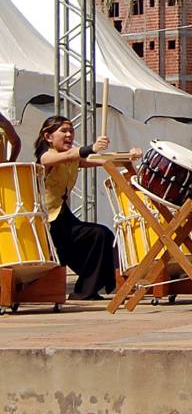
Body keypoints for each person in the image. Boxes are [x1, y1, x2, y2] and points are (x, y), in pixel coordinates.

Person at [36, 116, 138, 300]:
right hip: (47, 221)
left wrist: (127, 156)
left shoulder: (74, 158)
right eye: (63, 131)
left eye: (71, 131)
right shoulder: (47, 156)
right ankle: (86, 289)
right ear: (48, 136)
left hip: (63, 217)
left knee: (102, 235)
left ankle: (88, 290)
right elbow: (68, 156)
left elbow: (102, 160)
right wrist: (91, 147)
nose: (69, 135)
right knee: (97, 235)